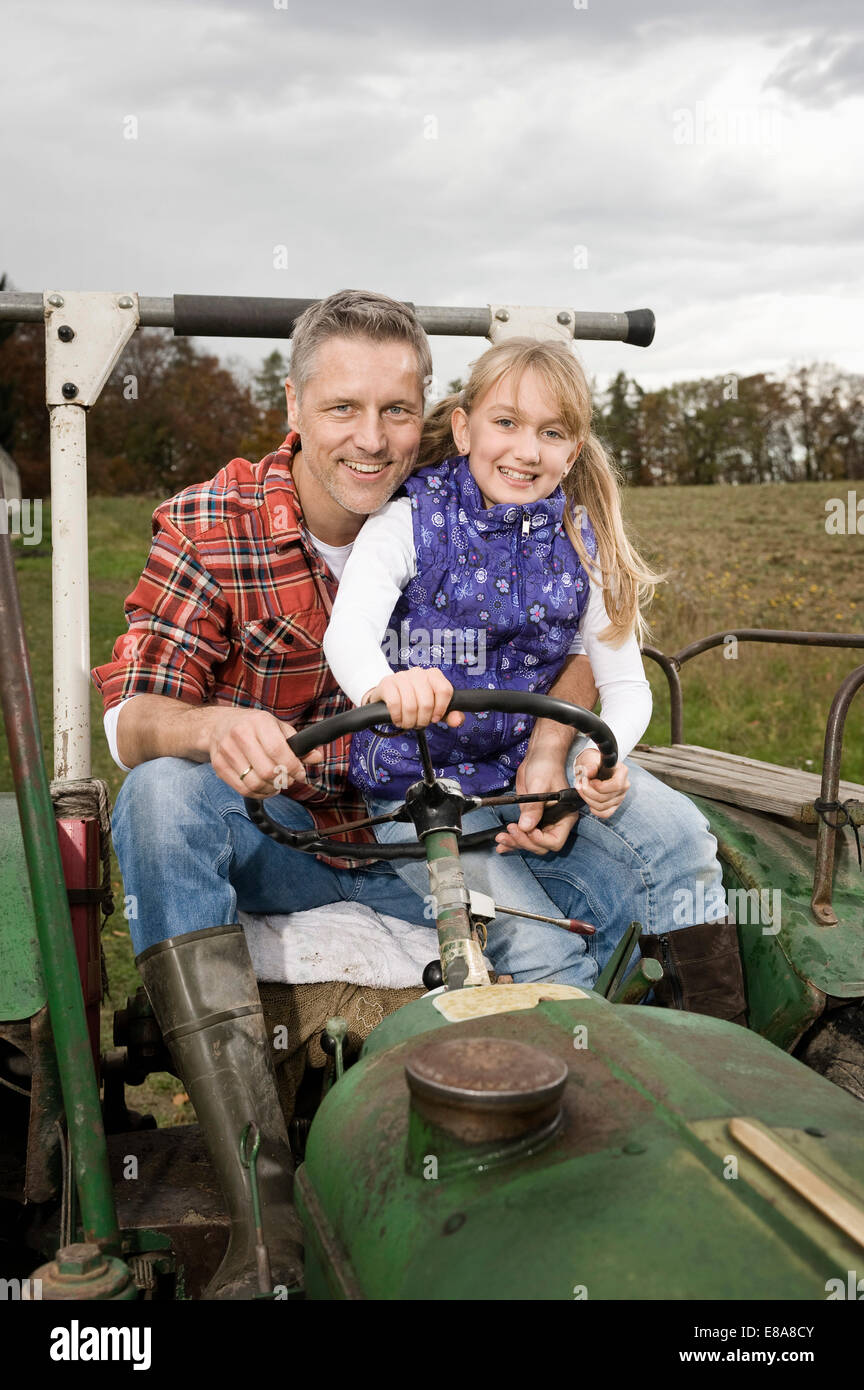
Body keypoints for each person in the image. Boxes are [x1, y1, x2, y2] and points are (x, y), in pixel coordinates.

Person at [92, 290, 744, 1299]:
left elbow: (582, 641)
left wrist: (550, 745)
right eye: (344, 408)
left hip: (449, 817)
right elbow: (129, 719)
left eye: (396, 409)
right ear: (296, 406)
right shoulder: (213, 522)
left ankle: (682, 1133)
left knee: (653, 845)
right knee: (159, 798)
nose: (371, 437)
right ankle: (263, 1226)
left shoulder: (476, 486)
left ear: (434, 415)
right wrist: (213, 725)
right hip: (300, 830)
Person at [323, 336, 655, 992]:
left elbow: (625, 683)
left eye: (552, 432)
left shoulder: (581, 539)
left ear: (574, 450)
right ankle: (561, 1068)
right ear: (463, 427)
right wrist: (386, 686)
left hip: (526, 777)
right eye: (506, 423)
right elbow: (349, 632)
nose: (528, 451)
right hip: (422, 787)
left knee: (662, 876)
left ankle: (637, 1048)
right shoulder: (411, 518)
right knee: (537, 944)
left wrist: (604, 758)